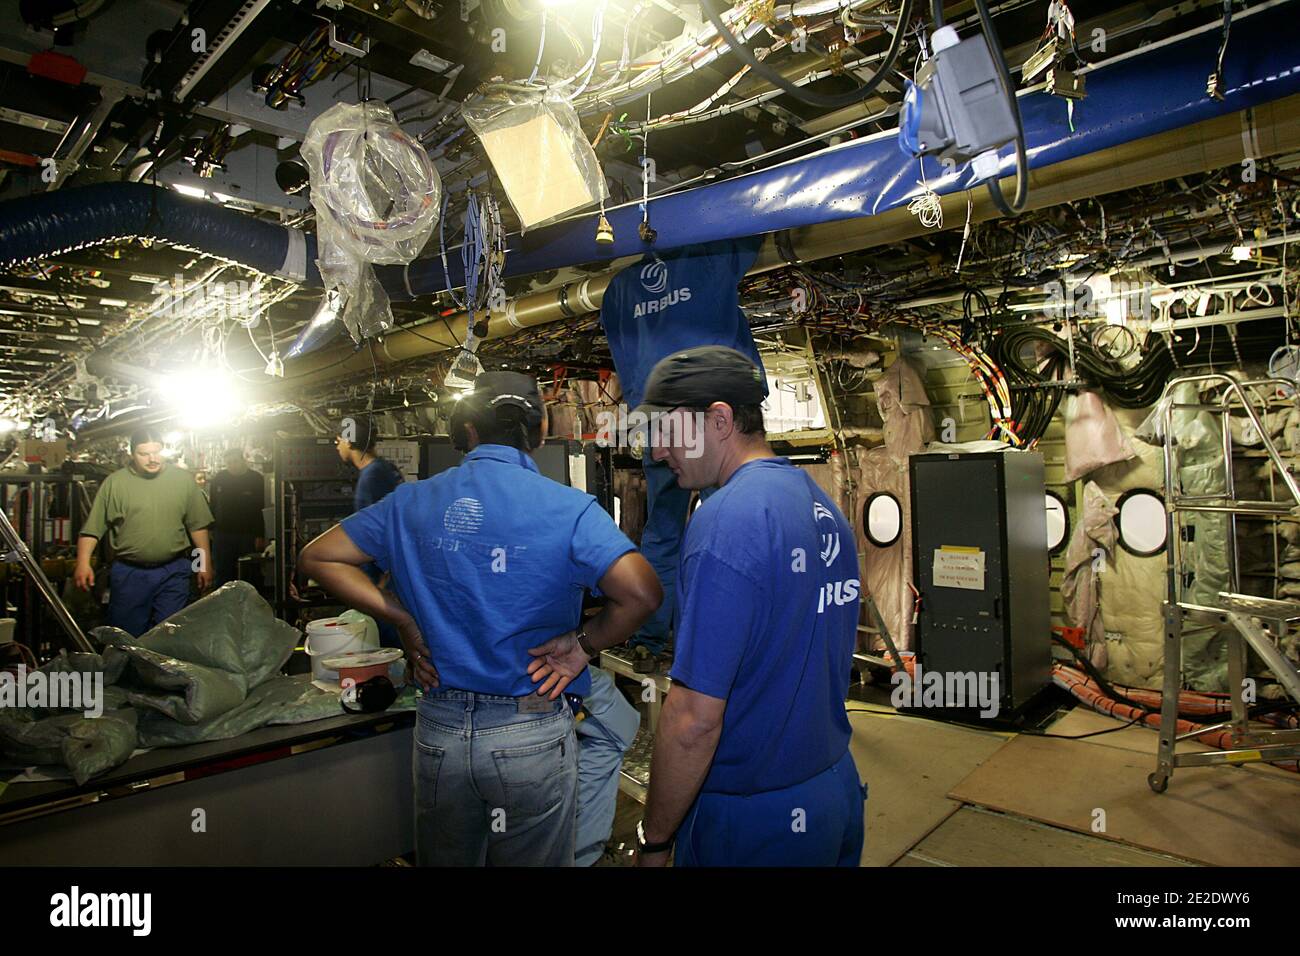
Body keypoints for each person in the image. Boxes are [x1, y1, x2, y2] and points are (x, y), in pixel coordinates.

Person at [299, 372, 660, 866]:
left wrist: (403, 619)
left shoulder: (408, 502)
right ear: (537, 435)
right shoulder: (571, 510)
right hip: (530, 728)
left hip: (440, 731)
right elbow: (641, 592)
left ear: (465, 433)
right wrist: (582, 646)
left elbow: (318, 558)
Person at [631, 346, 866, 867]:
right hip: (831, 789)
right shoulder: (821, 506)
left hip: (753, 816)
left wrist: (656, 841)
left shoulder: (725, 520)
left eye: (667, 431)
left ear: (718, 420)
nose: (656, 451)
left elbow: (693, 720)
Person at [599, 237, 768, 673]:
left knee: (663, 532)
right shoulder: (706, 259)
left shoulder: (620, 287)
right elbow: (756, 224)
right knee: (730, 530)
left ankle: (649, 641)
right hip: (713, 419)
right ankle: (732, 646)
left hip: (657, 418)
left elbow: (619, 347)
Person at [74, 428, 215, 637]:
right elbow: (92, 529)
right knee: (127, 637)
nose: (152, 459)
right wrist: (82, 563)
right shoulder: (115, 483)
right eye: (144, 454)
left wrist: (203, 565)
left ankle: (162, 671)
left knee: (169, 635)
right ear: (132, 454)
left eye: (157, 452)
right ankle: (129, 670)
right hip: (130, 573)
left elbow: (197, 527)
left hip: (174, 570)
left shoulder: (182, 481)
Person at [335, 423, 404, 646]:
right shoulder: (382, 470)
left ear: (350, 441)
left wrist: (384, 581)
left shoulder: (373, 478)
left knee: (387, 649)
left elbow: (391, 530)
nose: (337, 444)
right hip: (383, 582)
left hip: (382, 585)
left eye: (339, 438)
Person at [208, 447, 265, 587]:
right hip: (223, 533)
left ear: (243, 460)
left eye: (235, 461)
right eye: (228, 463)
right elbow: (213, 505)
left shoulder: (256, 479)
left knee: (249, 571)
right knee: (223, 571)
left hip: (247, 534)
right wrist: (210, 528)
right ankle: (222, 603)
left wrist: (260, 534)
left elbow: (260, 508)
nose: (232, 465)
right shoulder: (220, 478)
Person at [336, 425, 403, 511]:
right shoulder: (386, 466)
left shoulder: (371, 475)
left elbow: (368, 520)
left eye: (338, 442)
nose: (338, 447)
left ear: (348, 442)